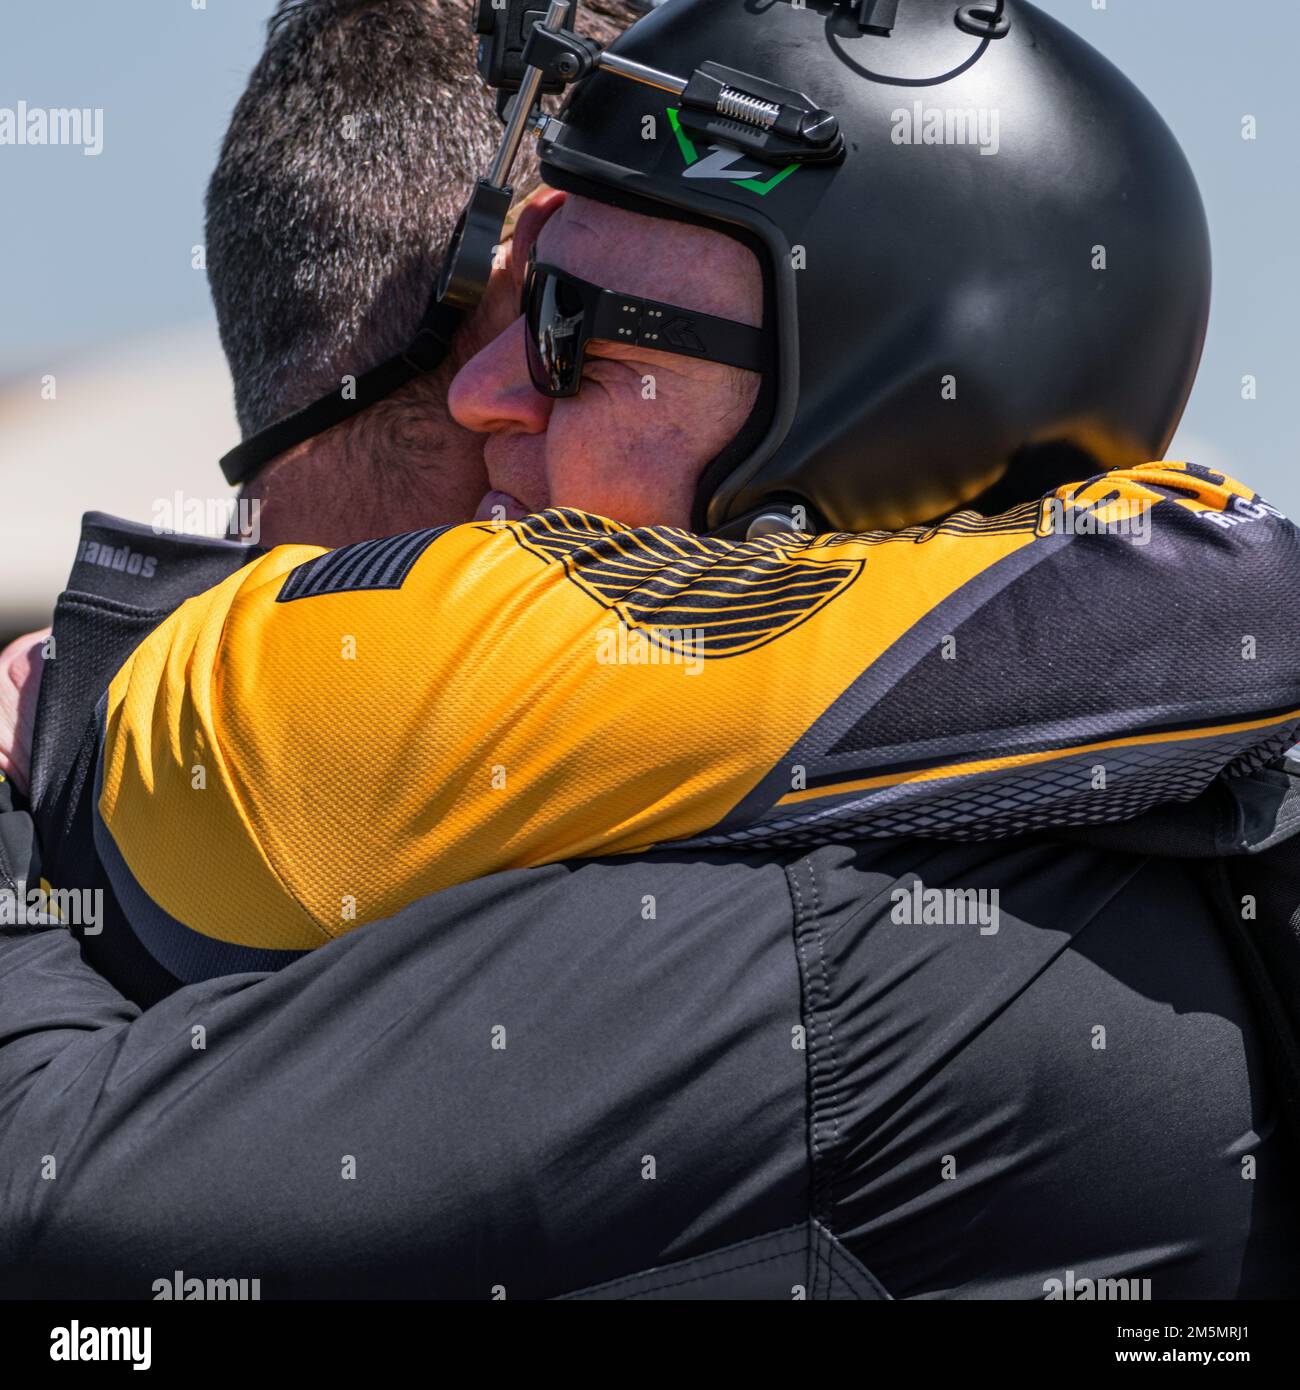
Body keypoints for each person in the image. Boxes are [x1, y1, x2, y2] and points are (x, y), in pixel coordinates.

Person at [4, 0, 1300, 1300]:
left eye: (573, 325)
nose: (483, 388)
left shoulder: (833, 948)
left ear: (874, 409)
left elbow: (60, 1220)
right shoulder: (1103, 841)